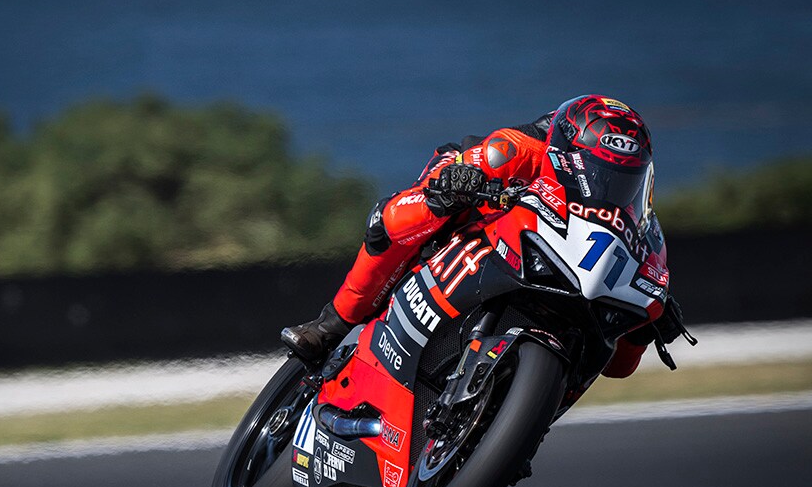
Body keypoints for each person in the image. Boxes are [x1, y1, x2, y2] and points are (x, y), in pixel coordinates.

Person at [282, 94, 684, 378]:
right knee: (403, 218)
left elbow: (619, 370)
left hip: (559, 264)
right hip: (482, 194)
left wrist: (643, 330)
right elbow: (468, 169)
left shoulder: (643, 232)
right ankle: (331, 326)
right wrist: (451, 186)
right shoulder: (518, 149)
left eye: (621, 180)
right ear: (570, 157)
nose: (608, 186)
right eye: (599, 173)